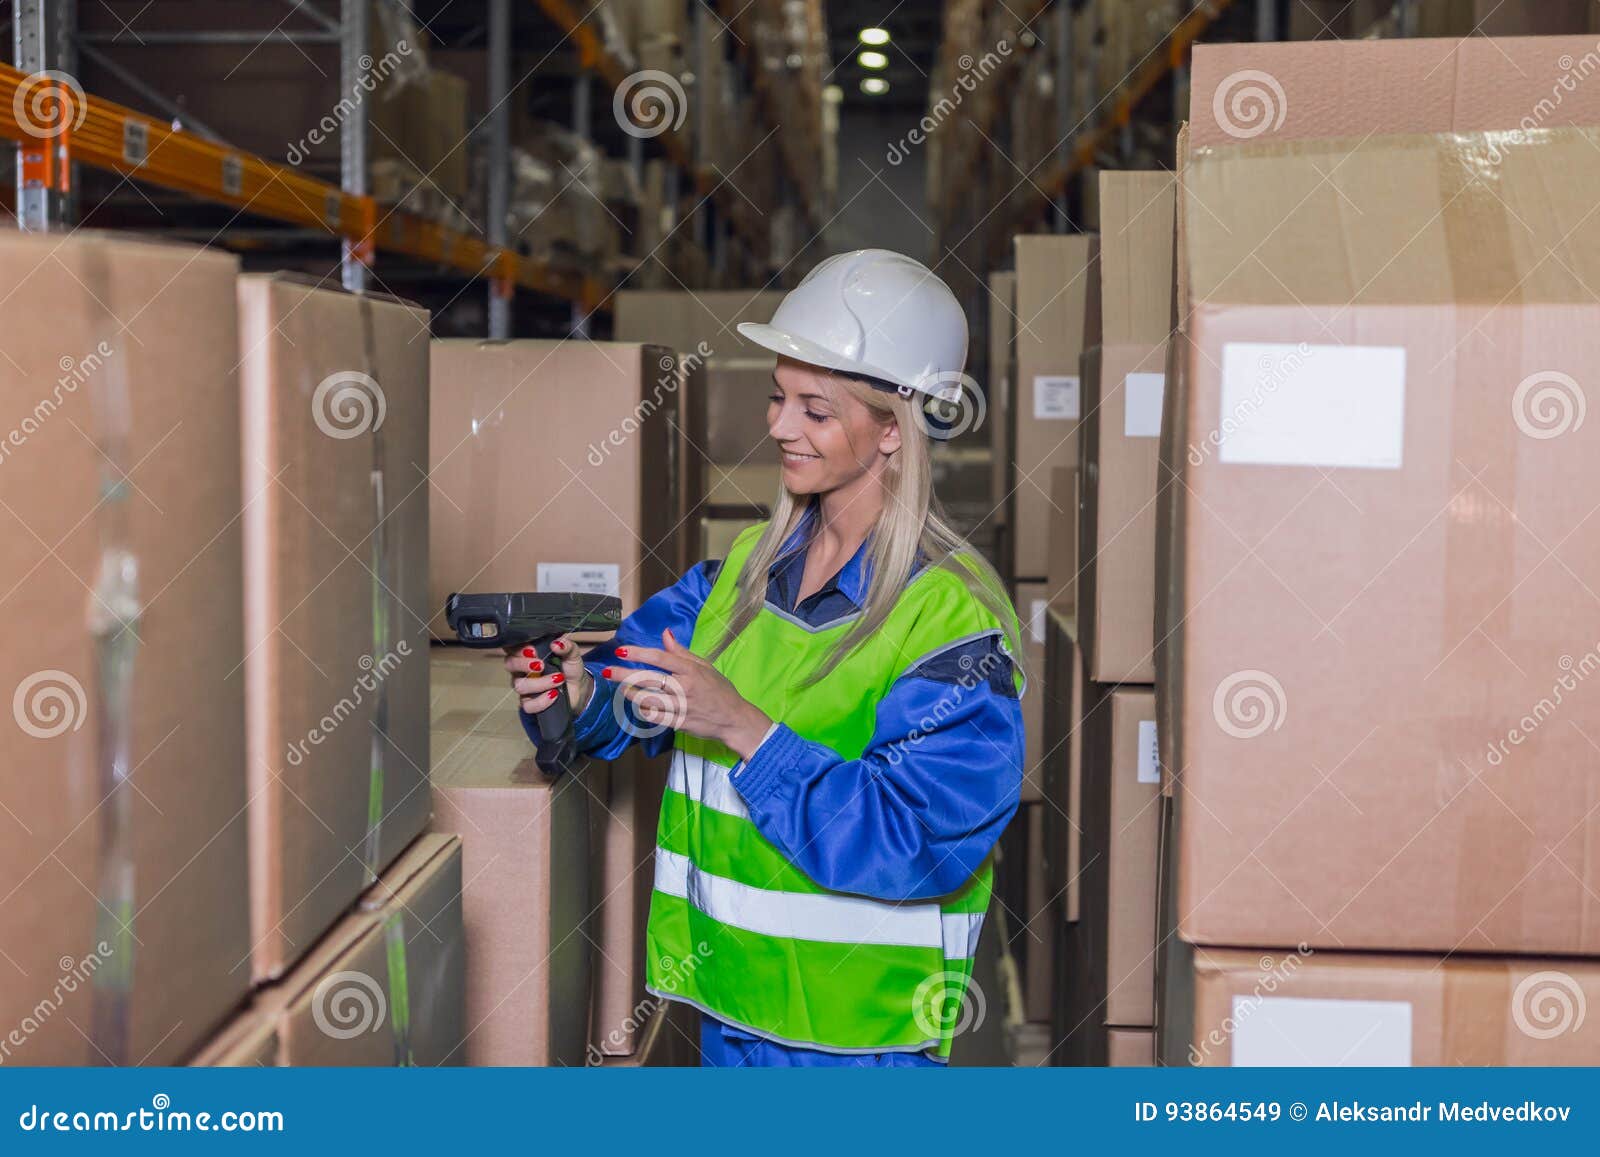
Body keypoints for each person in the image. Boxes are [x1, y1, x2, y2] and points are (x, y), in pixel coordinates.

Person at [507, 248, 1026, 1067]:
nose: (779, 426)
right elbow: (635, 682)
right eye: (778, 398)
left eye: (815, 410)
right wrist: (574, 694)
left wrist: (746, 727)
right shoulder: (745, 573)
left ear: (894, 428)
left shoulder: (951, 624)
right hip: (732, 1015)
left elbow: (918, 837)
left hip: (860, 1045)